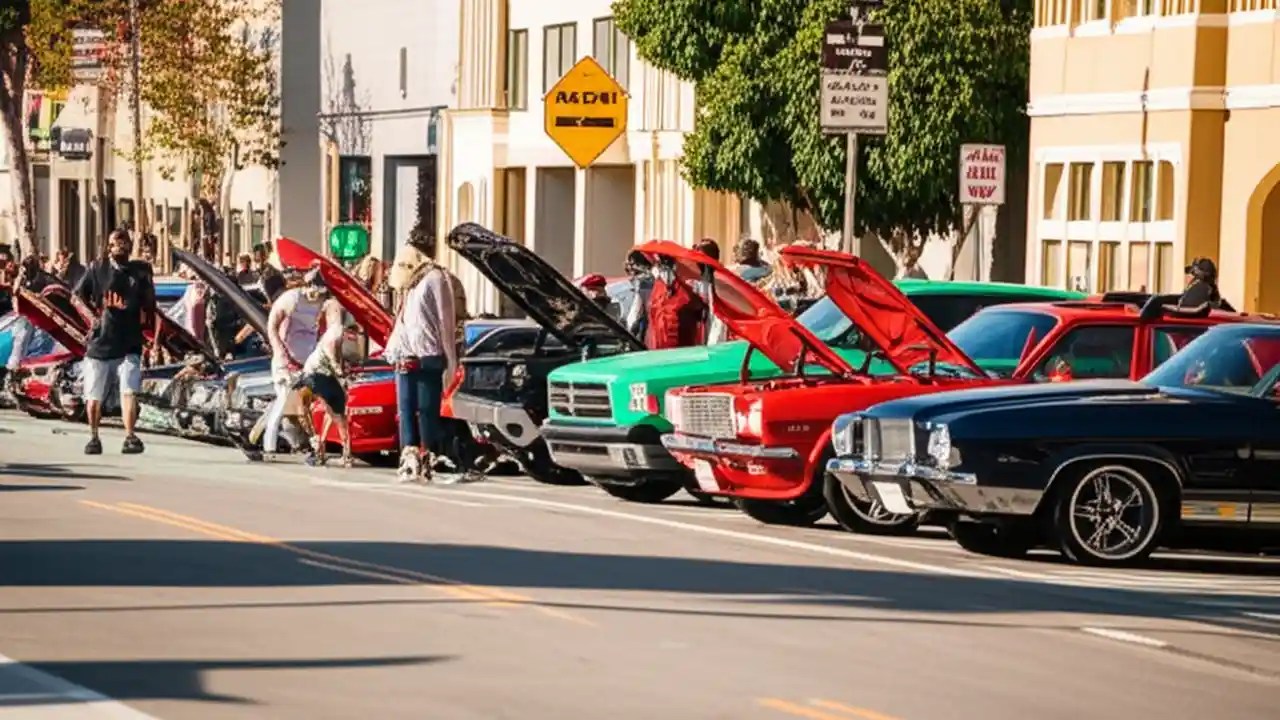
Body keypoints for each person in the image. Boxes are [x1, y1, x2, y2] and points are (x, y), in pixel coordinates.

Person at [73, 229, 156, 455]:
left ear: (130, 246)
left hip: (130, 341)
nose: (120, 246)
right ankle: (93, 436)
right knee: (94, 395)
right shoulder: (97, 269)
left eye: (124, 242)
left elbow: (150, 307)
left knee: (129, 389)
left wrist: (153, 339)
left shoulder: (140, 271)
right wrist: (93, 318)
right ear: (108, 246)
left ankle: (130, 436)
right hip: (101, 343)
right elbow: (77, 296)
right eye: (115, 242)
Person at [383, 247, 457, 483]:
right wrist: (451, 357)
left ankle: (413, 457)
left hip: (408, 352)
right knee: (424, 410)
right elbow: (446, 321)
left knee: (408, 409)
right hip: (426, 352)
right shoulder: (431, 278)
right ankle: (423, 456)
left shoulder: (413, 282)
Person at [256, 267, 329, 460]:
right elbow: (272, 327)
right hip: (287, 362)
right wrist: (281, 351)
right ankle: (269, 445)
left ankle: (312, 443)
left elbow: (319, 329)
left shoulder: (318, 302)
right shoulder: (291, 299)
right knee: (283, 402)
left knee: (304, 404)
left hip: (307, 360)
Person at [294, 288, 351, 467]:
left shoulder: (332, 330)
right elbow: (333, 354)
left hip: (312, 374)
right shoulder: (335, 332)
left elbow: (333, 353)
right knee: (337, 414)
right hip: (318, 375)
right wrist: (339, 371)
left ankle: (321, 447)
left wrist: (338, 370)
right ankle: (338, 451)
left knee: (329, 412)